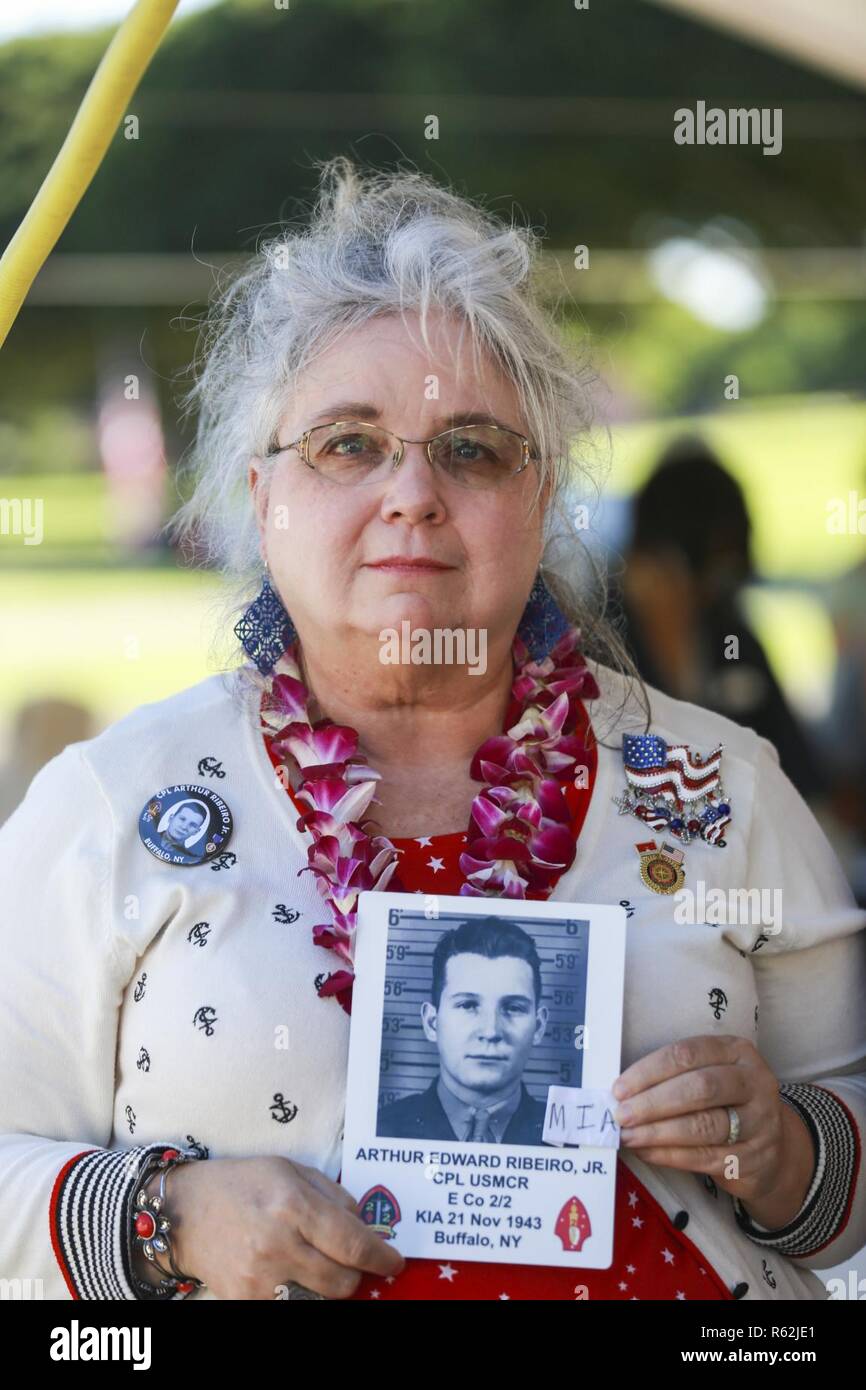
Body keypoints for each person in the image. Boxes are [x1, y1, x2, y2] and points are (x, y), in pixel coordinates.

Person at [1, 159, 864, 1303]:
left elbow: (845, 1156)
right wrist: (168, 1221)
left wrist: (786, 1149)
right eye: (347, 444)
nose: (411, 493)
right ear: (261, 497)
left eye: (469, 447)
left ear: (542, 494)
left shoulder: (721, 788)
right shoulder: (112, 807)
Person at [377, 917, 550, 1145]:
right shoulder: (381, 1129)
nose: (490, 1031)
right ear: (431, 1022)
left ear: (538, 1026)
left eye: (513, 1008)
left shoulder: (573, 1142)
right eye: (468, 1005)